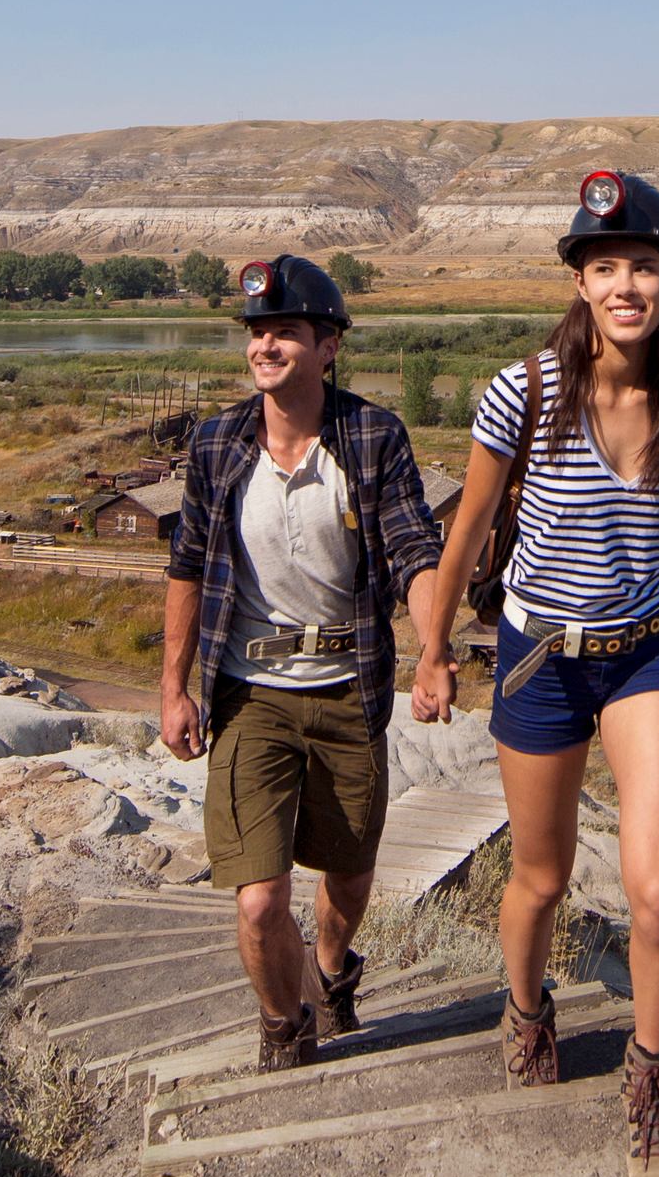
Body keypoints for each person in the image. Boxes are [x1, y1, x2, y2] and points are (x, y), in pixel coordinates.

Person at [416, 168, 659, 1177]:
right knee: (542, 876)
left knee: (656, 886)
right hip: (538, 655)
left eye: (643, 264)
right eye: (606, 266)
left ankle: (653, 1078)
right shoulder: (529, 389)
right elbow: (468, 524)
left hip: (645, 649)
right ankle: (524, 1011)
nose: (626, 284)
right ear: (581, 280)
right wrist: (433, 643)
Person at [160, 253, 451, 1072]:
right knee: (258, 900)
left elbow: (412, 550)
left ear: (328, 346)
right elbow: (187, 565)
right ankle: (285, 1028)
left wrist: (432, 651)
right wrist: (174, 686)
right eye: (257, 332)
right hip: (250, 696)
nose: (265, 345)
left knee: (348, 879)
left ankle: (331, 968)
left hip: (349, 692)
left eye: (284, 331)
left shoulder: (370, 436)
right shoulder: (217, 442)